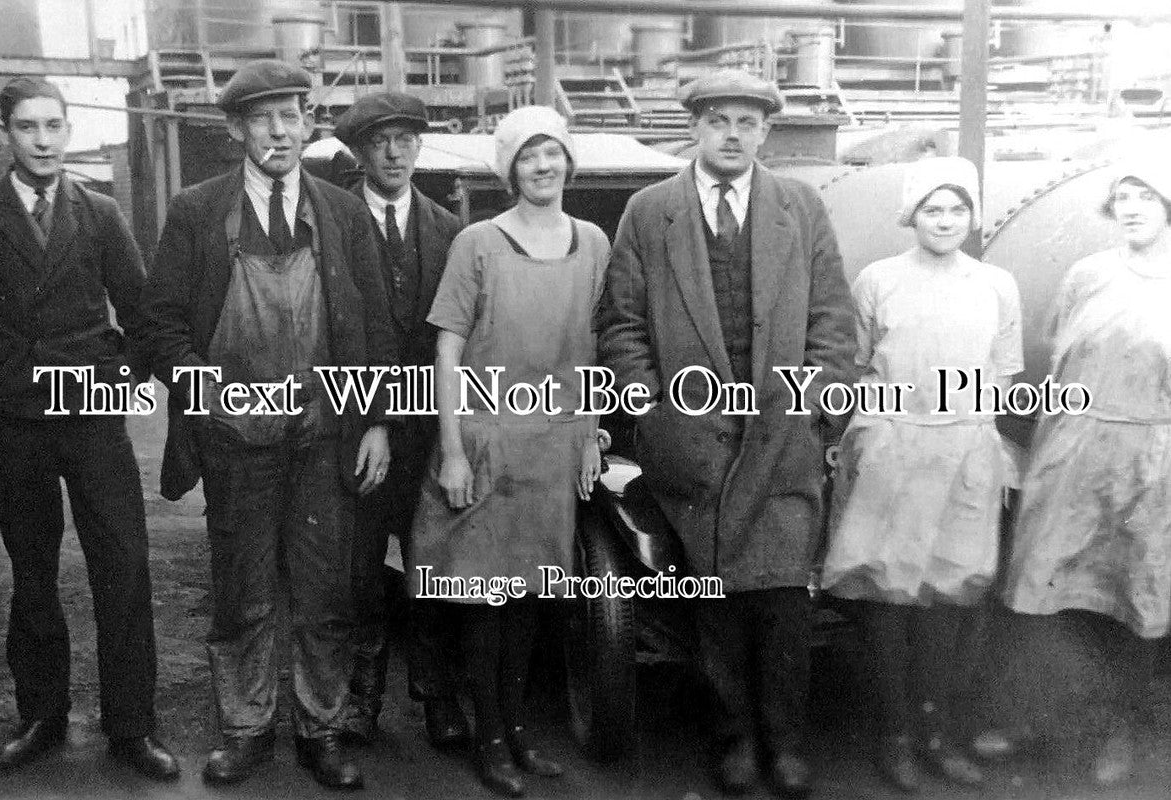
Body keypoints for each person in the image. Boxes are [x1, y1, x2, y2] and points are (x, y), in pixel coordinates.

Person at [597, 69, 856, 799]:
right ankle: (734, 739)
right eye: (718, 121)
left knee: (780, 600)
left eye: (746, 122)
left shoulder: (799, 208)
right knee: (716, 601)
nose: (732, 135)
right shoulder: (649, 213)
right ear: (696, 129)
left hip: (780, 433)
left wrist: (817, 406)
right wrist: (651, 403)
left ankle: (785, 743)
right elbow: (620, 323)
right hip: (692, 435)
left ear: (765, 132)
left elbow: (833, 321)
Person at [143, 59, 398, 790]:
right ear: (235, 130)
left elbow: (374, 326)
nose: (279, 131)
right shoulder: (197, 210)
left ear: (308, 122)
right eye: (262, 118)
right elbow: (157, 323)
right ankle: (247, 730)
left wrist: (377, 419)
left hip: (324, 435)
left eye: (291, 115)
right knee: (244, 592)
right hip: (235, 442)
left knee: (324, 595)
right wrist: (205, 390)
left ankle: (322, 731)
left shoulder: (342, 213)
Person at [0, 77, 179, 780]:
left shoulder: (98, 213)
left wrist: (117, 379)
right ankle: (41, 714)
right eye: (28, 127)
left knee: (120, 562)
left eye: (53, 126)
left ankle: (132, 725)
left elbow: (143, 310)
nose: (42, 140)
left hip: (90, 415)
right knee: (32, 569)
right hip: (14, 418)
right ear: (6, 134)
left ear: (67, 131)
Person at [409, 105, 609, 798]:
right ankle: (488, 738)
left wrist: (589, 431)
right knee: (485, 599)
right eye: (528, 155)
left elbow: (591, 347)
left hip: (553, 446)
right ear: (509, 169)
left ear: (568, 164)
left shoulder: (592, 243)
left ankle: (517, 731)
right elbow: (447, 344)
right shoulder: (478, 242)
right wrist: (453, 448)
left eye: (553, 153)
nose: (542, 166)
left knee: (529, 599)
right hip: (487, 438)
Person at [820, 157, 1023, 791]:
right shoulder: (878, 280)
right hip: (890, 447)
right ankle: (896, 738)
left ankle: (941, 733)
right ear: (912, 216)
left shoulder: (996, 284)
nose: (945, 221)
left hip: (964, 449)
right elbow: (853, 366)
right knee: (888, 598)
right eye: (933, 209)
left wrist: (979, 438)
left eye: (957, 209)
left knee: (952, 596)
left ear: (973, 215)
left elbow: (1003, 373)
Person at [987, 162, 1171, 787]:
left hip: (1153, 455)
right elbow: (1056, 351)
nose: (1134, 206)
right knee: (1049, 588)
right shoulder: (1088, 275)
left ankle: (1115, 727)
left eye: (1147, 194)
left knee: (1134, 596)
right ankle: (1045, 717)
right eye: (1123, 196)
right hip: (1073, 444)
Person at [331, 92, 469, 749]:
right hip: (354, 427)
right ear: (359, 152)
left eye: (405, 139)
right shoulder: (330, 219)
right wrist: (371, 419)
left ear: (419, 146)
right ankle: (359, 700)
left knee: (432, 563)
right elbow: (332, 333)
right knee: (357, 567)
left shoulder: (448, 229)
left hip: (427, 431)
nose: (393, 152)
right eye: (379, 141)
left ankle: (437, 696)